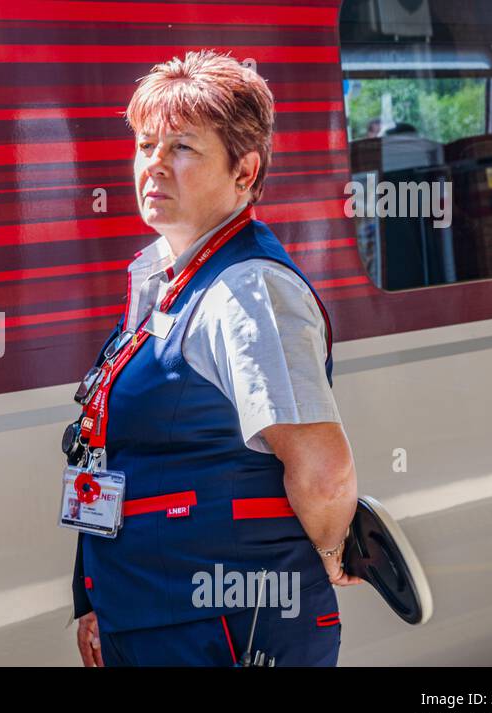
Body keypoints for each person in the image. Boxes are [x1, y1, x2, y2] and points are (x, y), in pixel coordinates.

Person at [70, 51, 363, 667]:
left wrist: (332, 557)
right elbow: (120, 456)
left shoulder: (249, 288)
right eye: (145, 144)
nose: (154, 164)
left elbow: (322, 469)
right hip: (154, 618)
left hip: (231, 629)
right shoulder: (162, 279)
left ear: (245, 170)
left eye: (182, 147)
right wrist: (99, 599)